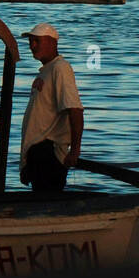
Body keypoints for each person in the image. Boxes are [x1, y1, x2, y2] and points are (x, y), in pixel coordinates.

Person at [18, 23, 83, 193]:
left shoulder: (60, 68)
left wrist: (74, 151)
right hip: (37, 153)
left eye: (37, 41)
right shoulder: (46, 71)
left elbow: (75, 110)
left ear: (52, 42)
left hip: (49, 153)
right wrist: (26, 162)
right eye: (30, 41)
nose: (32, 46)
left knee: (47, 200)